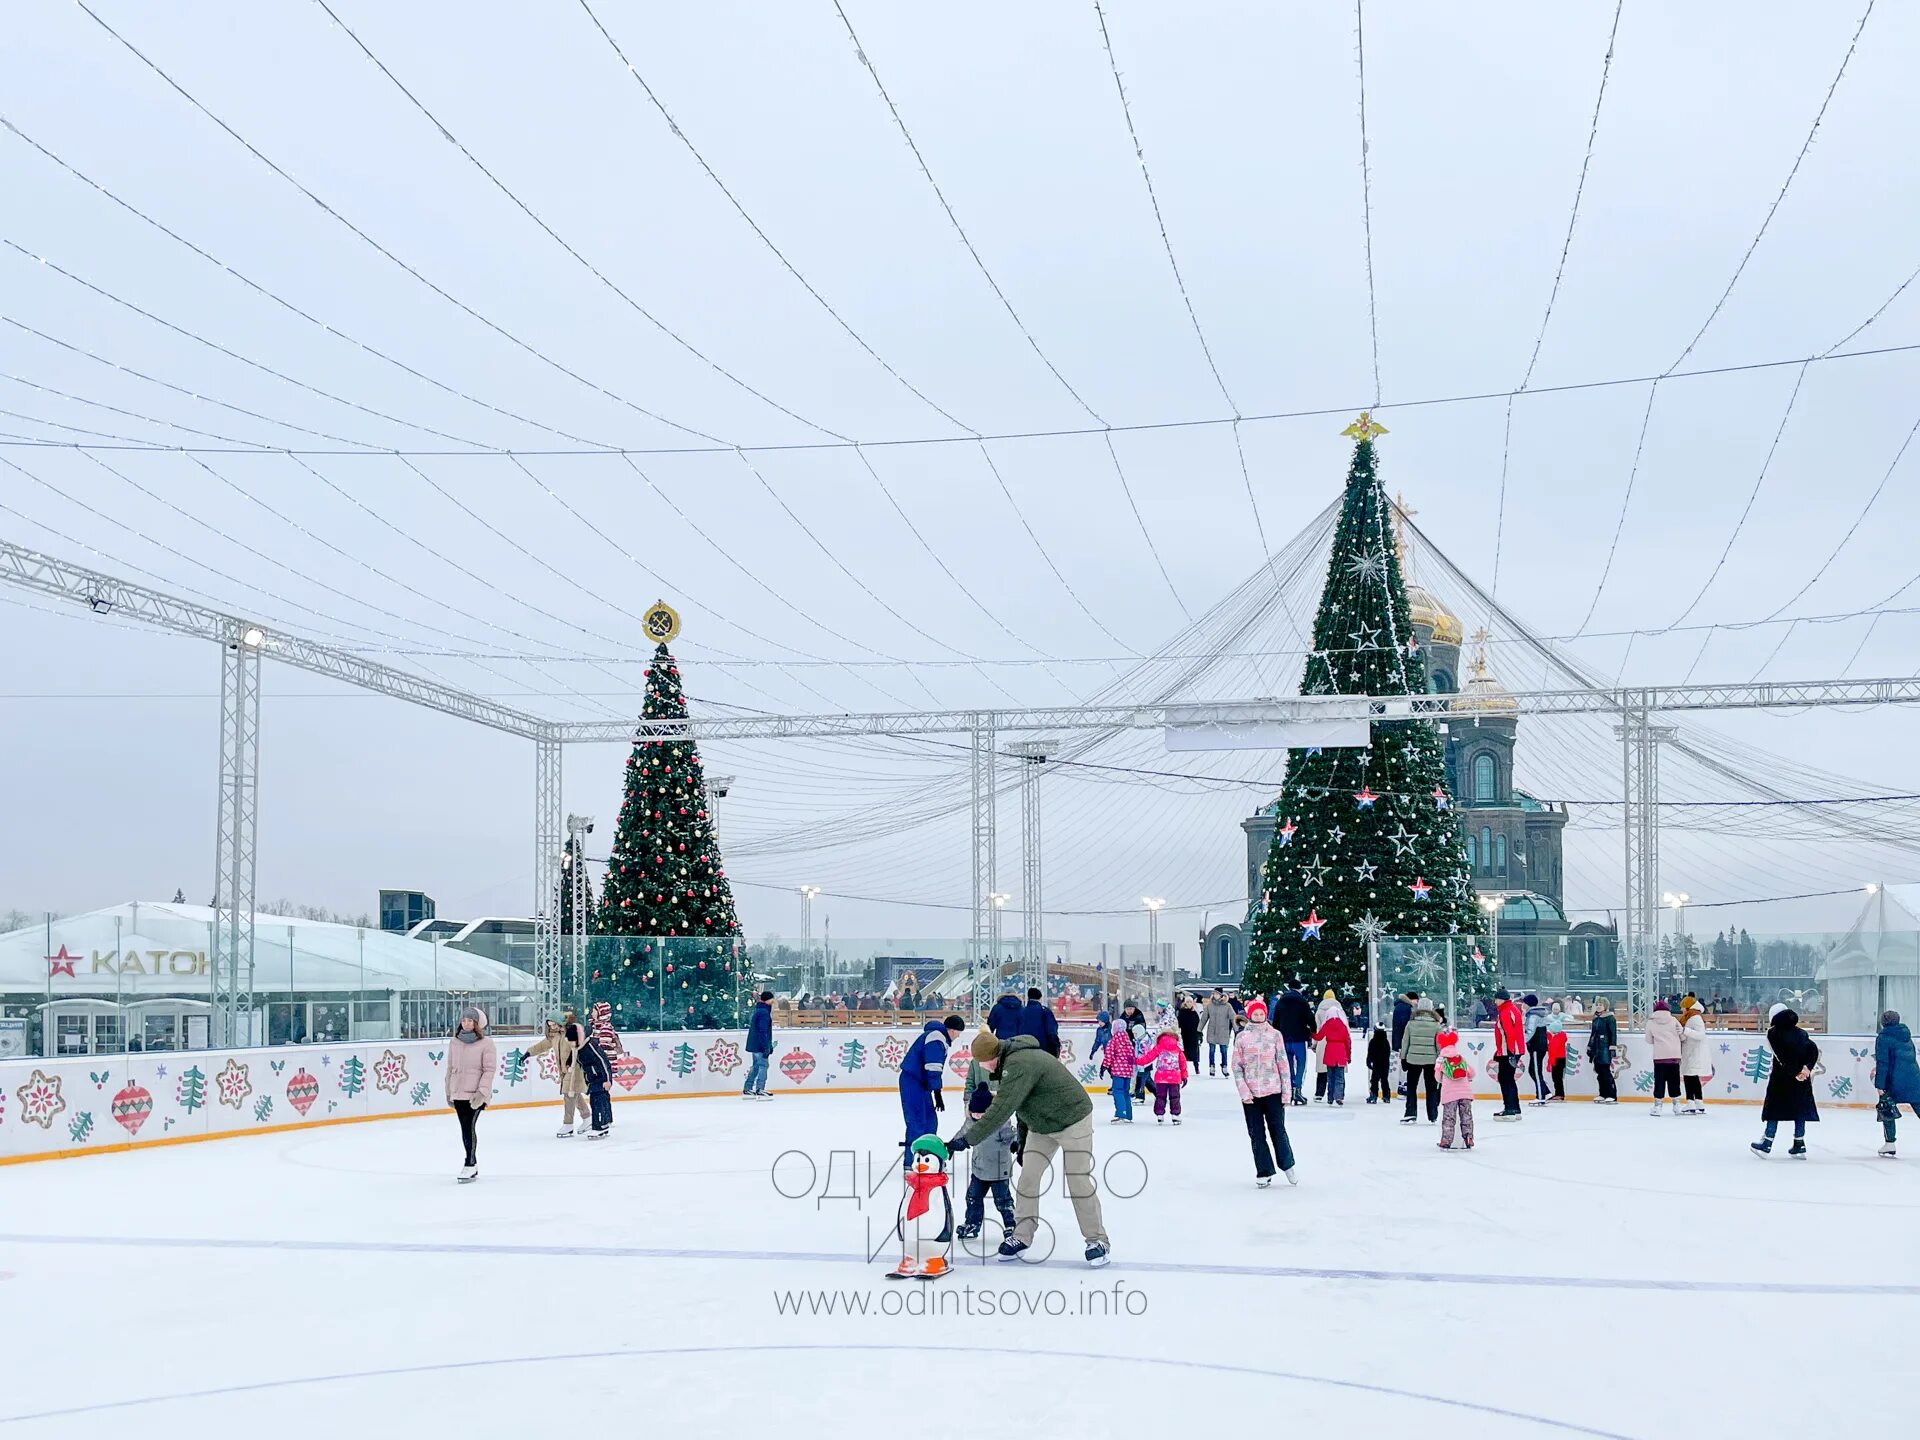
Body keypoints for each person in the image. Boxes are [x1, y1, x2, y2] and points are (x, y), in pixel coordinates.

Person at [947, 1030, 1111, 1267]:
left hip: (1073, 1119)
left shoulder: (1019, 1064)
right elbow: (1022, 1106)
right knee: (1028, 1179)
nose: (983, 1068)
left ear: (992, 1056)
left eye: (983, 1063)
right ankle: (1022, 1236)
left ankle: (1097, 1240)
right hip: (1041, 1125)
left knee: (1077, 1180)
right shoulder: (1006, 1064)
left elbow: (1001, 1109)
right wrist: (1023, 1141)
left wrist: (967, 1140)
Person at [1230, 999, 1297, 1188]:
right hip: (1251, 1095)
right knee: (1256, 1134)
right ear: (1249, 1014)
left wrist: (1286, 1093)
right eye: (1255, 1013)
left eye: (1261, 1013)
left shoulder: (1275, 1035)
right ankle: (1264, 1170)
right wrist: (1244, 1092)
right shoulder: (1242, 1037)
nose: (1258, 1016)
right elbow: (1236, 1067)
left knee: (1278, 1130)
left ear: (1266, 1014)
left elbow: (1284, 1064)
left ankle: (1287, 1165)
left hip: (1273, 1090)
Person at [1751, 1005, 1819, 1159]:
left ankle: (1767, 1143)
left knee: (1774, 1109)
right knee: (1799, 1110)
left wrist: (1796, 1072)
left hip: (1781, 1079)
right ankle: (1799, 1144)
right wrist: (1806, 1069)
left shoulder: (1772, 1034)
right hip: (1801, 1079)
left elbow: (1781, 1056)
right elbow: (1813, 1050)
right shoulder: (1802, 1033)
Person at [899, 1015, 965, 1167]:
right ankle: (912, 1161)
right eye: (958, 1032)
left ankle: (928, 1156)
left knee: (930, 1122)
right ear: (952, 1030)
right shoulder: (936, 1038)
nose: (958, 1036)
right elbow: (933, 1067)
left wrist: (934, 1090)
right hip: (913, 1082)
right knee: (917, 1122)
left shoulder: (937, 1037)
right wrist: (937, 1093)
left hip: (922, 1083)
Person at [955, 1083, 1017, 1240]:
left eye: (981, 1113)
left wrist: (1016, 1143)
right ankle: (972, 1224)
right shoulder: (971, 1121)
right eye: (974, 1113)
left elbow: (1011, 1136)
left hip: (998, 1169)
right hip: (979, 1168)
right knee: (972, 1197)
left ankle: (1012, 1225)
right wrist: (952, 1145)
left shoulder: (1001, 1122)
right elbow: (962, 1134)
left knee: (1002, 1201)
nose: (977, 1116)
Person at [445, 1006, 496, 1183]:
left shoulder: (486, 1043)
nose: (466, 1023)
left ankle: (470, 1163)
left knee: (469, 1126)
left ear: (477, 1024)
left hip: (475, 1094)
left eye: (470, 1021)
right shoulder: (454, 1042)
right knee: (464, 1128)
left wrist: (482, 1092)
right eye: (464, 1020)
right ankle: (471, 1163)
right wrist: (448, 1090)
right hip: (458, 1092)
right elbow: (450, 1068)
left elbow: (489, 1070)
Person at [525, 1016, 585, 1136]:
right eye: (550, 1025)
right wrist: (528, 1053)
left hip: (574, 1068)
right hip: (564, 1070)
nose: (552, 1027)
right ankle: (588, 1118)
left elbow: (579, 1047)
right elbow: (541, 1046)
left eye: (554, 1024)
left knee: (568, 1094)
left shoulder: (570, 1032)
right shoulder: (554, 1036)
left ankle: (568, 1124)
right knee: (574, 1094)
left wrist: (571, 1062)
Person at [1874, 1010, 1920, 1158]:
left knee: (1887, 1109)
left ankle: (1890, 1143)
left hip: (1892, 1080)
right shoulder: (1906, 1035)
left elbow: (1883, 1062)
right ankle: (1889, 1144)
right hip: (1913, 1078)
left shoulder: (1884, 1037)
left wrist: (1879, 1084)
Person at [1134, 1025, 1190, 1124]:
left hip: (1161, 1077)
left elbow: (1148, 1057)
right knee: (1175, 1097)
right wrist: (1184, 1076)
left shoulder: (1158, 1047)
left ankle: (1160, 1114)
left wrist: (1136, 1061)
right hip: (1174, 1077)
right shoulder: (1177, 1049)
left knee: (1160, 1096)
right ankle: (1175, 1115)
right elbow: (1183, 1063)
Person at [1399, 998, 1441, 1125]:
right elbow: (1439, 1045)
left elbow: (1405, 1042)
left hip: (1413, 1060)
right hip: (1431, 1061)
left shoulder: (1411, 1023)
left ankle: (1410, 1113)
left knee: (1411, 1087)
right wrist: (1440, 1058)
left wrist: (1403, 1058)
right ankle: (1432, 1114)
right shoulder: (1436, 1025)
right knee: (1432, 1088)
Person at [1274, 981, 1316, 1105]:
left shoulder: (1281, 1001)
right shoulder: (1302, 1001)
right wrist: (1313, 1030)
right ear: (1299, 989)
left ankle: (1290, 1089)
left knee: (1288, 1065)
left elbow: (1276, 1019)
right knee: (1301, 1064)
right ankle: (1297, 1089)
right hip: (1299, 1037)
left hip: (1284, 1038)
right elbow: (1310, 1018)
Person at [1491, 988, 1525, 1120]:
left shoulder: (1506, 1012)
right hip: (1511, 1050)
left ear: (1502, 1000)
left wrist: (1509, 1052)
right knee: (1509, 1079)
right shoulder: (1512, 1009)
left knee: (1505, 1078)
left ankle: (1510, 1108)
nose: (1495, 1002)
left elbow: (1508, 1033)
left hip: (1509, 1051)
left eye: (1496, 999)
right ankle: (1515, 1108)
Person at [1436, 1041, 1475, 1151]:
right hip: (1465, 1093)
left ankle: (1446, 1142)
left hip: (1449, 1095)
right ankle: (1468, 1138)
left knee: (1449, 1118)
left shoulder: (1441, 1062)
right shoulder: (1462, 1060)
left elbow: (1437, 1078)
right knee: (1466, 1116)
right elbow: (1472, 1073)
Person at [1646, 999, 1683, 1116]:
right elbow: (1682, 1036)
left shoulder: (1651, 1022)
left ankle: (1658, 1106)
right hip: (1674, 1055)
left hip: (1660, 1056)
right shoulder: (1674, 1020)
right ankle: (1676, 1104)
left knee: (1659, 1081)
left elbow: (1648, 1039)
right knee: (1674, 1080)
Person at [577, 1022, 613, 1138]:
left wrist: (607, 1080)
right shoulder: (579, 1049)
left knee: (597, 1101)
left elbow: (603, 1062)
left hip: (601, 1078)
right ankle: (605, 1121)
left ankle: (600, 1126)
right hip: (592, 1079)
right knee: (598, 1100)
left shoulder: (591, 1046)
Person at [1315, 999, 1352, 1105]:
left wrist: (1309, 1033)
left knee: (1330, 1077)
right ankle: (1339, 1096)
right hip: (1341, 1053)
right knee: (1339, 1077)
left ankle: (1330, 1097)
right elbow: (1348, 1043)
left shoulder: (1327, 1024)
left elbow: (1319, 1036)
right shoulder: (1343, 1026)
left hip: (1329, 1052)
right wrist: (1348, 1056)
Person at [1677, 995, 1710, 1115]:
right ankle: (1698, 1102)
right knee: (1692, 1077)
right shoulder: (1690, 1017)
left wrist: (1685, 1031)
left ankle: (1691, 1102)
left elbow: (1700, 1035)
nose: (1681, 1010)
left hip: (1693, 1051)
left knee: (1689, 1077)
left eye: (1683, 1007)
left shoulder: (1694, 1017)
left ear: (1687, 1007)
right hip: (1690, 1051)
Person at [1587, 996, 1620, 1104]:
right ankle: (1603, 1093)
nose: (1598, 1006)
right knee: (1599, 1071)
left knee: (1606, 1071)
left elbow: (1613, 1034)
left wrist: (1612, 1048)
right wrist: (1590, 1046)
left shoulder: (1610, 1018)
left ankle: (1612, 1095)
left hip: (1605, 1047)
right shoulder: (1595, 1018)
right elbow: (1593, 1034)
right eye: (1597, 1004)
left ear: (1605, 1006)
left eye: (1600, 1005)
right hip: (1596, 1048)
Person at [743, 989, 775, 1100]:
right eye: (771, 999)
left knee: (756, 1066)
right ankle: (760, 1088)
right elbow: (763, 1031)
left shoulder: (759, 1010)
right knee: (763, 1065)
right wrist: (766, 1046)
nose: (772, 1002)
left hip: (755, 1044)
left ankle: (748, 1087)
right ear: (767, 1000)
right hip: (760, 1045)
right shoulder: (764, 1012)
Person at [1311, 989, 1342, 1100]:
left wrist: (1314, 1044)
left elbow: (1317, 1028)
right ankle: (1338, 1094)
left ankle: (1319, 1093)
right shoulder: (1340, 1010)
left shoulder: (1319, 1011)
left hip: (1323, 1041)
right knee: (1338, 1071)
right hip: (1339, 1043)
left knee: (1322, 1069)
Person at [1019, 987, 1062, 1058]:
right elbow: (1051, 1031)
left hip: (1024, 1048)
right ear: (1040, 998)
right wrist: (1055, 1047)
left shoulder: (1021, 1012)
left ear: (1028, 997)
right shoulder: (1045, 1011)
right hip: (1042, 1049)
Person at [1523, 994, 1550, 1103]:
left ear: (1527, 1004)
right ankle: (1546, 1092)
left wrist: (1521, 1042)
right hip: (1539, 1046)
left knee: (1535, 1070)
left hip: (1536, 1046)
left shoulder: (1533, 1016)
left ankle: (1540, 1096)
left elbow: (1530, 1031)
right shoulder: (1536, 1015)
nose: (1522, 1005)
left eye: (1524, 1003)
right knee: (1533, 1070)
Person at [1203, 989, 1236, 1076]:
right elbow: (1204, 1018)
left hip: (1223, 1031)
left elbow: (1233, 1017)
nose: (1215, 995)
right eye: (1214, 994)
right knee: (1211, 1050)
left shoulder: (1227, 1006)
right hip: (1212, 1031)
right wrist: (1199, 1030)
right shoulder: (1210, 1006)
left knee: (1224, 1050)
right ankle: (1212, 1066)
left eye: (1217, 994)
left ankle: (1224, 1066)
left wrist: (1236, 1029)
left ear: (1221, 995)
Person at [1390, 990, 1415, 1095]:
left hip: (1399, 1040)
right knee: (1406, 1063)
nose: (1416, 1003)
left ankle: (1402, 1085)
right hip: (1403, 1041)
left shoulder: (1399, 1006)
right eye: (1416, 1000)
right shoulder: (1406, 1008)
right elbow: (1405, 1027)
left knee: (1404, 1063)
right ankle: (1403, 1086)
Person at [1366, 1025, 1392, 1104]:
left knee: (1374, 1080)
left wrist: (1369, 1061)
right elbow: (1388, 1053)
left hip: (1376, 1064)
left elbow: (1370, 1053)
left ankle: (1374, 1095)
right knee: (1384, 1080)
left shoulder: (1373, 1041)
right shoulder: (1386, 1042)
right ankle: (1386, 1096)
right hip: (1385, 1064)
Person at [1545, 1013, 1568, 1102]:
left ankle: (1560, 1094)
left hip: (1558, 1059)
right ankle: (1559, 1093)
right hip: (1559, 1059)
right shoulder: (1556, 1036)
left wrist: (1550, 1063)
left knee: (1557, 1078)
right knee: (1556, 1077)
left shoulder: (1557, 1038)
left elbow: (1552, 1050)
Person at [1176, 996, 1202, 1073]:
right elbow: (1178, 1023)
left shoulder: (1194, 1012)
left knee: (1194, 1052)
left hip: (1193, 1035)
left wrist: (1200, 1035)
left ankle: (1196, 1067)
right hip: (1185, 1035)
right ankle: (1183, 1069)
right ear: (1185, 1003)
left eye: (1190, 1002)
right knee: (1184, 1053)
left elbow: (1198, 1024)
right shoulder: (1182, 1012)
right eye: (1188, 1002)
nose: (1189, 1003)